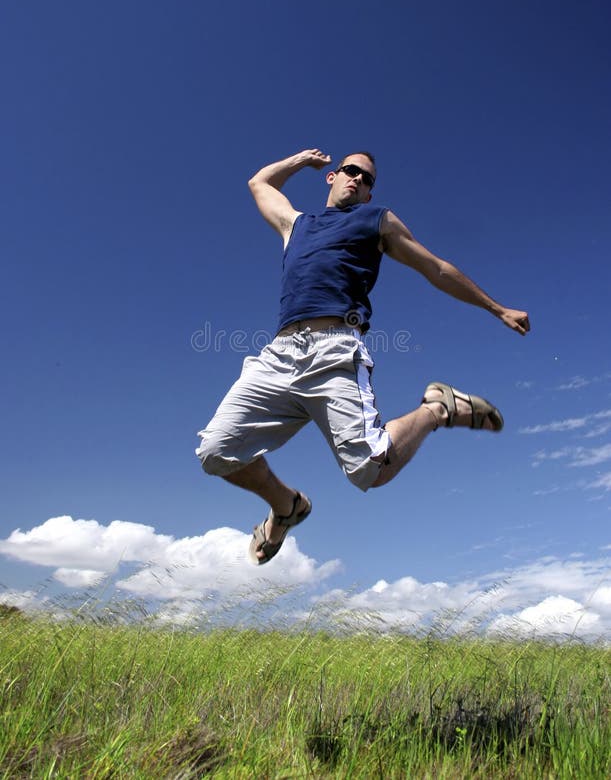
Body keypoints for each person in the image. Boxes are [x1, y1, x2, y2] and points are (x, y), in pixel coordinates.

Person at [196, 149, 530, 565]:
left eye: (367, 178)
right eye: (351, 171)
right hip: (279, 356)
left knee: (372, 471)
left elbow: (436, 268)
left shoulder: (377, 221)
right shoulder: (296, 224)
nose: (358, 179)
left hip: (335, 351)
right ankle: (287, 507)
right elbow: (259, 183)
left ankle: (436, 410)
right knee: (216, 451)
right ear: (332, 176)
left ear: (370, 193)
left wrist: (496, 307)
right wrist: (301, 160)